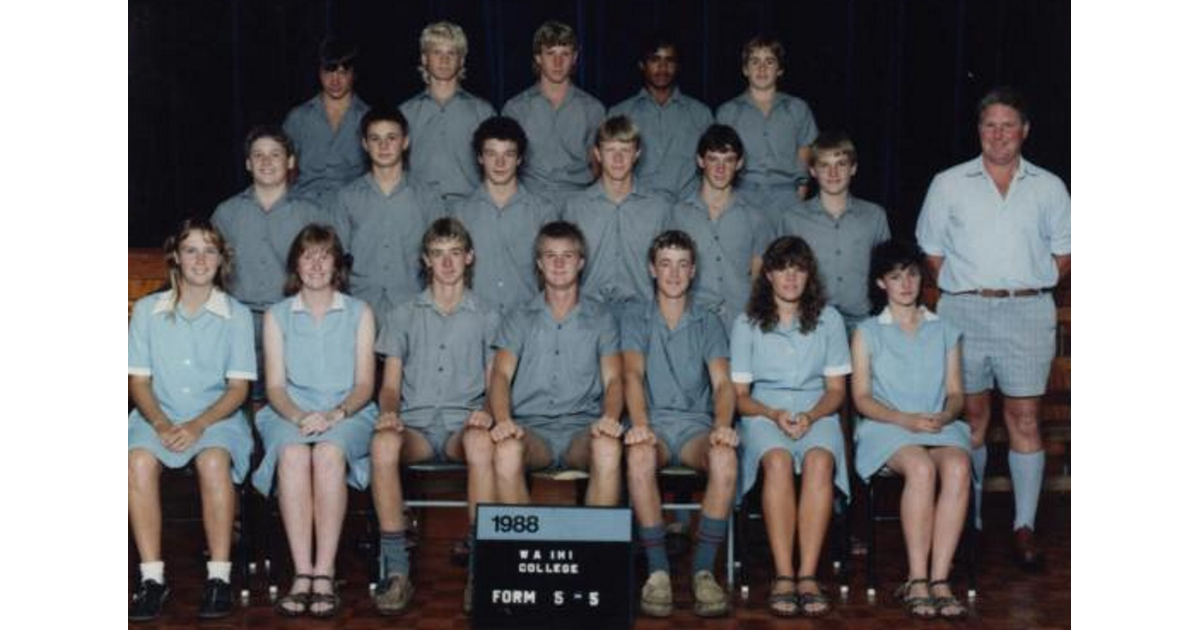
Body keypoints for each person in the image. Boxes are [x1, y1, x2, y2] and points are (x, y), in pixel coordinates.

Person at [915, 86, 1070, 571]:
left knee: (1025, 420)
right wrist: (971, 290)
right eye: (989, 125)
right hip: (966, 313)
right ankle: (971, 523)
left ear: (1025, 131)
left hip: (1027, 312)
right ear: (978, 131)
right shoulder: (948, 183)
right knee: (973, 420)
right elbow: (932, 253)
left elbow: (1067, 253)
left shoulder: (1049, 186)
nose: (998, 134)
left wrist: (1023, 282)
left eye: (1008, 125)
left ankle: (1023, 526)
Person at [369, 218, 499, 615]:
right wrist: (390, 414)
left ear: (469, 258)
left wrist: (488, 414)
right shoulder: (403, 313)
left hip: (464, 423)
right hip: (417, 424)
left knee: (481, 444)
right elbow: (390, 385)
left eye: (455, 253)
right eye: (438, 254)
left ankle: (481, 568)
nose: (447, 263)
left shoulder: (488, 314)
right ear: (426, 260)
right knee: (382, 443)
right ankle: (396, 570)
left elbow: (497, 385)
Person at [128, 218, 256, 621]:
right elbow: (139, 381)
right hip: (157, 414)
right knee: (136, 461)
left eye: (209, 250)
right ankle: (152, 579)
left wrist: (198, 425)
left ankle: (218, 577)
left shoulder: (236, 314)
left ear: (222, 260)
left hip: (216, 418)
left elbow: (238, 390)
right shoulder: (148, 310)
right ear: (176, 257)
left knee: (214, 460)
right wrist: (163, 424)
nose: (200, 259)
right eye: (191, 249)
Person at [251, 225, 378, 618]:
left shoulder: (359, 312)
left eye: (325, 255)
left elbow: (364, 384)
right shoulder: (276, 315)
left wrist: (336, 415)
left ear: (337, 264)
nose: (316, 264)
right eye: (308, 256)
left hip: (348, 411)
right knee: (291, 454)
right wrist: (300, 416)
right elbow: (274, 386)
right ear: (295, 264)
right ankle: (301, 572)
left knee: (326, 454)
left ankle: (325, 572)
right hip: (290, 409)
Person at [730, 235, 850, 618]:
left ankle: (808, 575)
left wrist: (811, 417)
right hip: (764, 412)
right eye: (782, 268)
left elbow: (836, 391)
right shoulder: (746, 323)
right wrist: (774, 415)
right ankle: (783, 575)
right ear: (767, 275)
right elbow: (741, 397)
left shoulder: (829, 319)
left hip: (817, 409)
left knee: (819, 461)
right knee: (778, 461)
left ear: (808, 274)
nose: (790, 277)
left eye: (798, 268)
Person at [852, 240, 971, 619]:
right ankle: (916, 579)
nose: (906, 284)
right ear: (881, 283)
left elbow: (955, 394)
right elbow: (862, 398)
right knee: (920, 467)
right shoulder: (868, 332)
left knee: (957, 466)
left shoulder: (944, 329)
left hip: (937, 426)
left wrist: (946, 416)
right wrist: (905, 420)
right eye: (895, 276)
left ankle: (940, 580)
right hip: (887, 428)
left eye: (913, 275)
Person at [621, 230, 737, 618]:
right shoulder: (635, 316)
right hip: (651, 424)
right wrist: (639, 425)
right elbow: (632, 375)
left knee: (724, 458)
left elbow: (722, 383)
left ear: (693, 271)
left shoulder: (708, 320)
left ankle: (703, 570)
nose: (673, 273)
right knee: (638, 457)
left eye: (682, 264)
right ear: (653, 269)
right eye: (665, 264)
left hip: (693, 428)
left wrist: (722, 425)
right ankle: (658, 573)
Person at [484, 221, 624, 508]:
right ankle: (522, 551)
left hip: (582, 429)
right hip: (531, 429)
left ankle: (594, 550)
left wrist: (610, 416)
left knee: (608, 448)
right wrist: (503, 420)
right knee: (507, 449)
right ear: (539, 263)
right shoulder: (519, 316)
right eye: (550, 256)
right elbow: (500, 375)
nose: (559, 264)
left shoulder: (601, 317)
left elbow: (614, 380)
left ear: (581, 262)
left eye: (568, 256)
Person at [212, 126, 325, 395]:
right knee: (236, 402)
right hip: (237, 324)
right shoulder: (226, 213)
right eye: (258, 155)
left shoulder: (312, 214)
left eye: (275, 155)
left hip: (294, 323)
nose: (266, 161)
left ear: (290, 162)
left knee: (288, 400)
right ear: (248, 164)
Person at [331, 107, 445, 319]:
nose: (383, 146)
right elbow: (335, 260)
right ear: (365, 144)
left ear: (405, 142)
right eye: (375, 139)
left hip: (414, 306)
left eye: (391, 138)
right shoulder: (347, 197)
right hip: (359, 307)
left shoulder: (428, 196)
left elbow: (441, 256)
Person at [778, 130, 891, 331]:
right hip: (811, 322)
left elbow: (888, 271)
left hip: (863, 322)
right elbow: (780, 275)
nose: (833, 173)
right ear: (812, 170)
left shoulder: (874, 216)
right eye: (824, 165)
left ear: (853, 168)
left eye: (841, 164)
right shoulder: (792, 218)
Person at [670, 124, 776, 330]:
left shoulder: (756, 217)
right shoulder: (677, 215)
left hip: (741, 322)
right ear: (700, 160)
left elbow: (759, 278)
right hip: (692, 322)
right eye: (713, 159)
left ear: (739, 163)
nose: (720, 168)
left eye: (728, 160)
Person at [451, 116, 559, 314]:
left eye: (508, 154)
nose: (500, 163)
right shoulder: (460, 212)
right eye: (491, 154)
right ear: (480, 157)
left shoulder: (543, 212)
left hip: (527, 321)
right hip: (475, 321)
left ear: (519, 158)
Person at [563, 115, 672, 306]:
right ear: (597, 153)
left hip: (642, 314)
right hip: (588, 313)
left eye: (625, 150)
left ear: (637, 153)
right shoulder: (575, 207)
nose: (618, 159)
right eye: (610, 150)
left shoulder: (659, 207)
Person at [501, 20, 605, 209]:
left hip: (579, 202)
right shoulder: (515, 108)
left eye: (564, 54)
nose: (558, 62)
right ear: (538, 58)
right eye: (550, 53)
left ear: (574, 58)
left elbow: (599, 166)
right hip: (530, 202)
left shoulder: (593, 109)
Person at [716, 36, 818, 214]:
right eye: (754, 61)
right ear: (745, 69)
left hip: (786, 195)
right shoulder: (728, 111)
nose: (762, 68)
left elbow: (805, 151)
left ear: (780, 69)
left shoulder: (797, 108)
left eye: (769, 62)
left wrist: (800, 192)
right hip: (742, 193)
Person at [608, 31, 713, 201]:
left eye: (669, 60)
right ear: (642, 65)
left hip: (687, 209)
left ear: (678, 65)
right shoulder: (620, 113)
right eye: (655, 60)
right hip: (637, 209)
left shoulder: (701, 114)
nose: (663, 68)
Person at [400, 21, 497, 203]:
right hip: (419, 207)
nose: (444, 60)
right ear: (424, 59)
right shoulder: (406, 113)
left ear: (461, 60)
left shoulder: (482, 112)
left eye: (451, 53)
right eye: (437, 52)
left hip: (470, 206)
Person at [283, 38, 370, 210]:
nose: (335, 80)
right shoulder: (298, 118)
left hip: (353, 208)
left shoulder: (369, 118)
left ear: (354, 74)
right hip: (304, 207)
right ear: (319, 72)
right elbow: (285, 169)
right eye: (329, 71)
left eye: (343, 72)